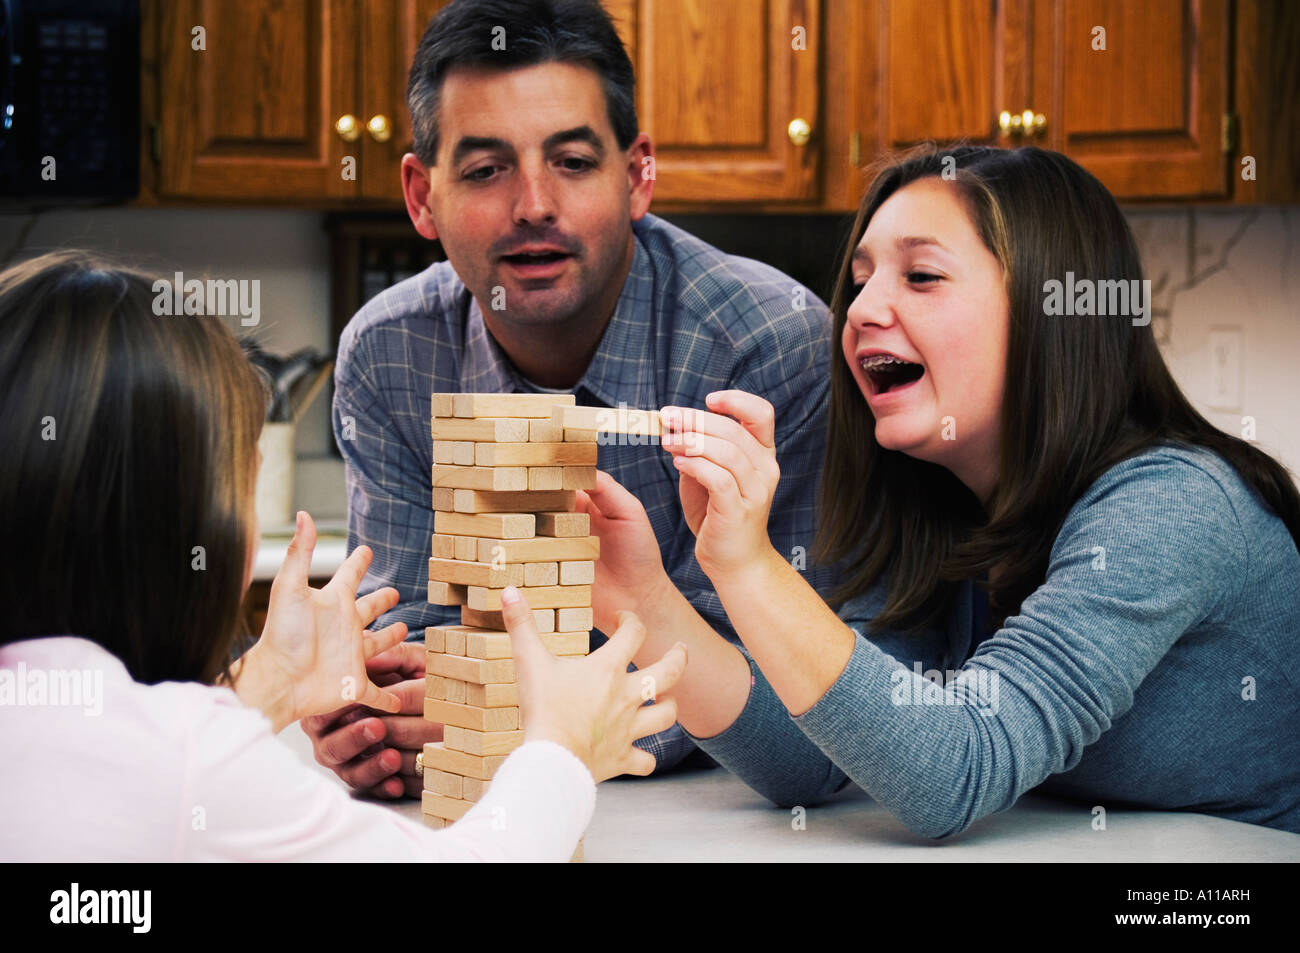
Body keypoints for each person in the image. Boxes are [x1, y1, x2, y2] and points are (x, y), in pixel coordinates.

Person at [552, 145, 1300, 836]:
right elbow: (812, 758)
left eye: (921, 276)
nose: (861, 311)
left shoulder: (1175, 508)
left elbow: (951, 772)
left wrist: (749, 564)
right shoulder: (941, 508)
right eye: (861, 279)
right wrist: (645, 601)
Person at [0, 250, 686, 861]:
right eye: (242, 482)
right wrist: (561, 746)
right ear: (184, 526)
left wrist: (271, 679)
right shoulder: (192, 765)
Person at [312, 0, 836, 797]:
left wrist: (511, 719)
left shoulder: (772, 346)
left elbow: (793, 690)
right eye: (485, 169)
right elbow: (411, 633)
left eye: (573, 162)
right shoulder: (389, 356)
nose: (533, 206)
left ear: (638, 175)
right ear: (421, 196)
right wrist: (375, 715)